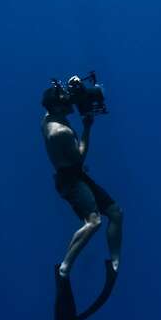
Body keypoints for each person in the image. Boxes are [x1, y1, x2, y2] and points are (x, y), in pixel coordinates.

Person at [41, 76, 123, 279]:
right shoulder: (59, 132)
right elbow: (80, 156)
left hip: (76, 174)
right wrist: (87, 127)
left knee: (116, 213)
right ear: (58, 107)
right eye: (66, 101)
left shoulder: (49, 115)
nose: (70, 102)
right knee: (93, 222)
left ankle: (114, 263)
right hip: (69, 180)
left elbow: (60, 98)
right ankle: (65, 268)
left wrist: (74, 85)